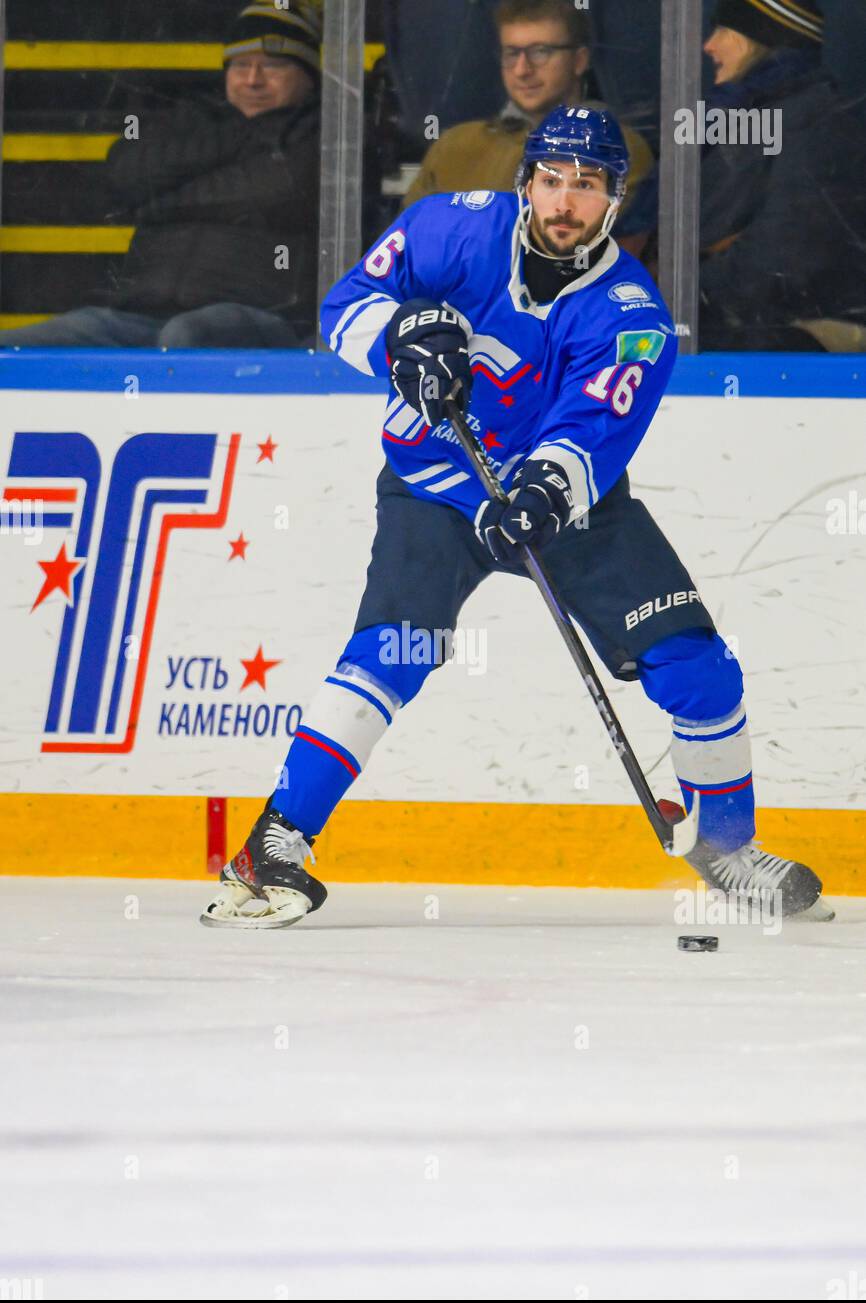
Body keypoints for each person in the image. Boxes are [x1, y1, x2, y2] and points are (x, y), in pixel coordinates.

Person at [200, 105, 829, 930]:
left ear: (615, 200)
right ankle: (272, 846)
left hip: (563, 507)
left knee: (699, 667)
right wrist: (400, 337)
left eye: (588, 185)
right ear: (525, 181)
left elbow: (590, 433)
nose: (566, 201)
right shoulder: (449, 228)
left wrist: (541, 494)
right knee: (392, 651)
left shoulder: (634, 317)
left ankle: (727, 850)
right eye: (552, 180)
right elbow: (344, 306)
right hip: (433, 484)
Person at [0, 3, 322, 350]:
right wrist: (243, 137)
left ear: (308, 76)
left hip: (258, 315)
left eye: (273, 66)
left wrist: (157, 202)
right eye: (240, 65)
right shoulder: (189, 118)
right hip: (140, 313)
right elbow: (124, 174)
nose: (253, 80)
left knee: (185, 337)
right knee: (16, 347)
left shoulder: (320, 131)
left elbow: (273, 193)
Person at [402, 0, 654, 242]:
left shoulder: (617, 148)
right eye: (511, 54)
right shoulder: (454, 147)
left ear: (579, 60)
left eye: (540, 52)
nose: (522, 70)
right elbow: (406, 245)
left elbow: (582, 253)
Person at [698, 0, 866, 352]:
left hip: (785, 350)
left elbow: (780, 259)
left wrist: (685, 287)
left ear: (760, 39)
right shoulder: (751, 117)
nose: (708, 45)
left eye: (724, 30)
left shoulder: (815, 125)